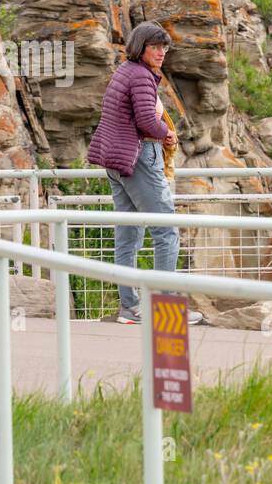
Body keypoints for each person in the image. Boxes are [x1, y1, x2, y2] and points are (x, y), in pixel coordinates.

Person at [86, 21, 201, 325]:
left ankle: (130, 308)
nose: (161, 52)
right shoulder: (141, 76)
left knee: (128, 235)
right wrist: (167, 133)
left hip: (117, 161)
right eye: (155, 46)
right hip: (139, 158)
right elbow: (148, 121)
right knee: (166, 230)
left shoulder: (124, 71)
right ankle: (167, 308)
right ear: (141, 47)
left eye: (164, 46)